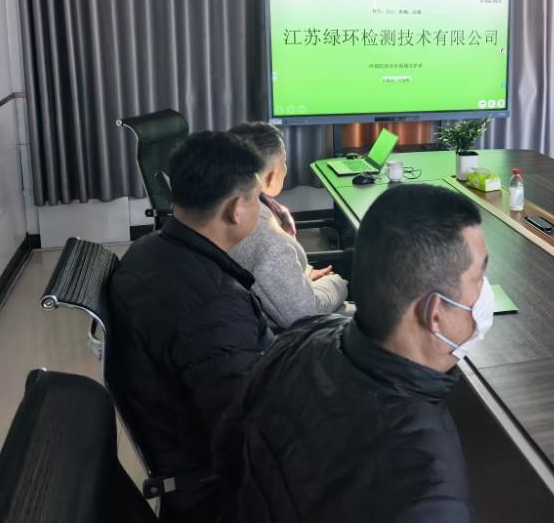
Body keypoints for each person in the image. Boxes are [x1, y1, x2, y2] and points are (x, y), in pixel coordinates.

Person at [216, 184, 492, 522]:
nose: (485, 292)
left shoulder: (299, 338)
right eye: (479, 277)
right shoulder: (430, 494)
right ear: (434, 314)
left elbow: (227, 451)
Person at [109, 132, 275, 522]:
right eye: (258, 199)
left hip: (188, 461)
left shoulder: (149, 250)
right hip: (218, 495)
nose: (261, 208)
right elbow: (249, 435)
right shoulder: (212, 306)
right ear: (236, 209)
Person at [227, 122, 350, 329]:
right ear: (270, 176)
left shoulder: (226, 206)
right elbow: (303, 314)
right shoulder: (266, 238)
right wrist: (337, 283)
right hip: (278, 334)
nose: (285, 168)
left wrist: (300, 277)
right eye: (283, 162)